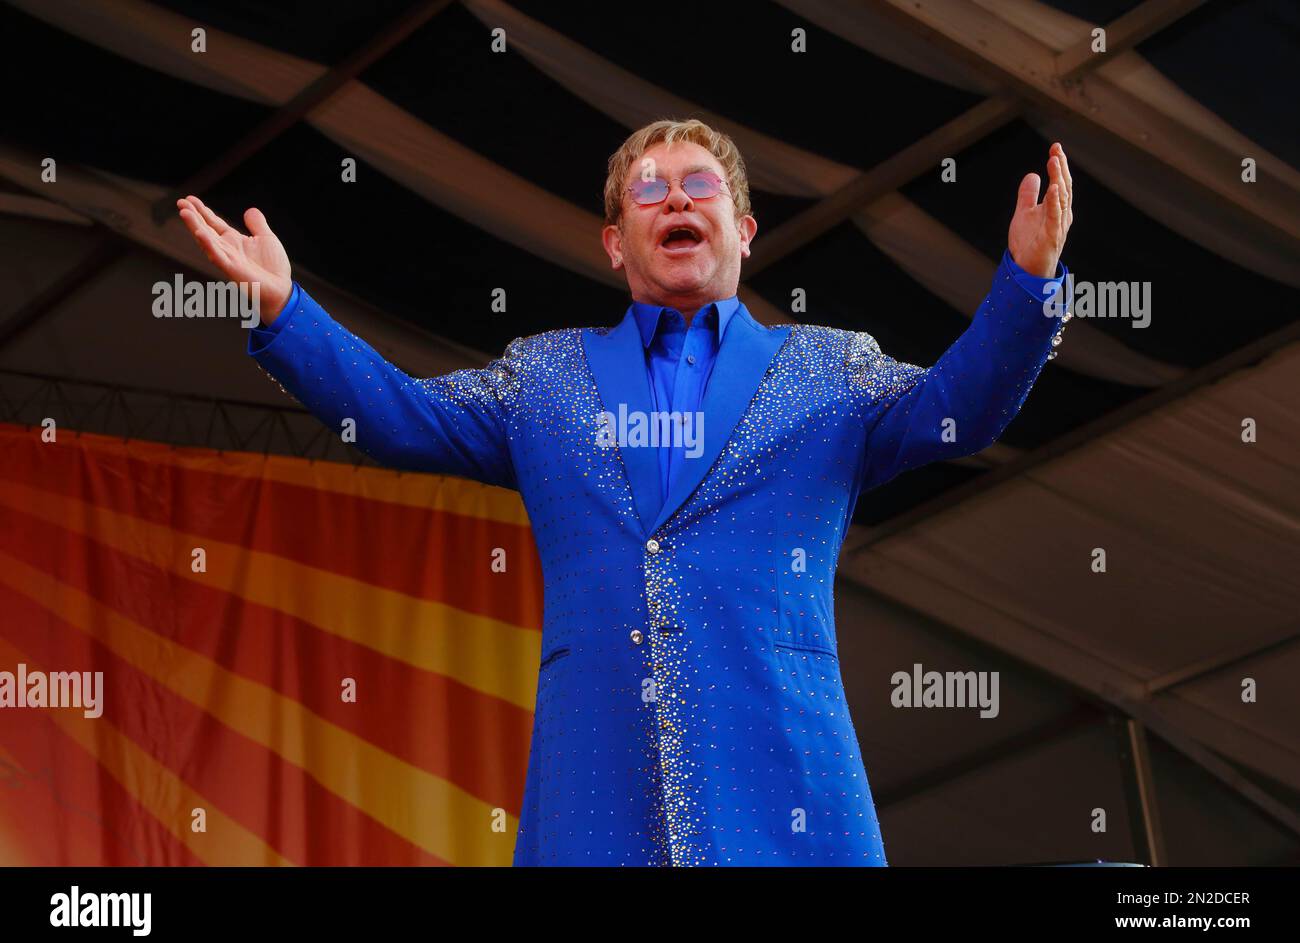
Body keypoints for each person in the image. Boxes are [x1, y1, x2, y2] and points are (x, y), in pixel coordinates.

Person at [177, 118, 1074, 866]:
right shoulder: (544, 377)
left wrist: (1026, 286)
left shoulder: (828, 369)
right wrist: (286, 312)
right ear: (616, 241)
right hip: (595, 791)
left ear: (747, 230)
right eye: (650, 189)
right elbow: (400, 417)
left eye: (700, 185)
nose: (677, 198)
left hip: (787, 789)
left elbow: (963, 409)